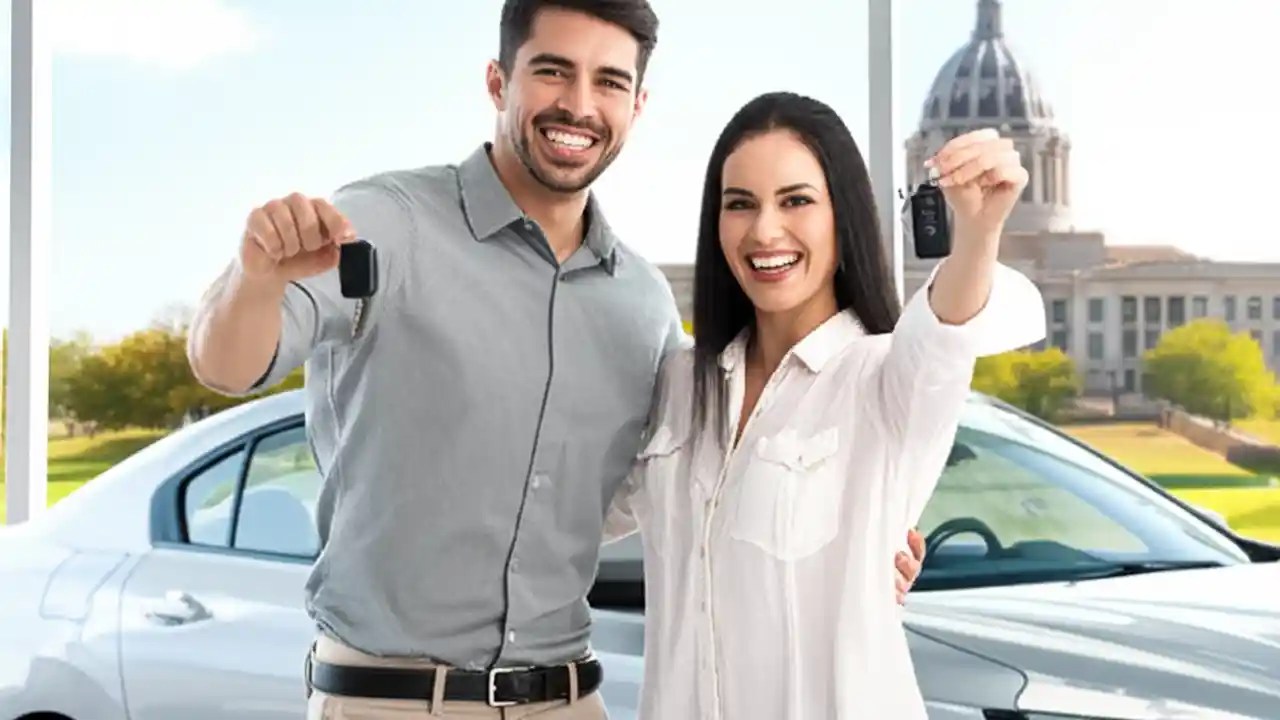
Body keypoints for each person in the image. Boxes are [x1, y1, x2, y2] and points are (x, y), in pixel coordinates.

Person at [187, 2, 924, 718]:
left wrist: (849, 543)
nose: (579, 105)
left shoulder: (642, 305)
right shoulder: (386, 222)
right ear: (497, 82)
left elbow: (681, 491)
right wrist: (255, 277)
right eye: (553, 71)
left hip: (569, 700)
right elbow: (227, 364)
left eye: (608, 82)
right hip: (393, 702)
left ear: (637, 106)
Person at [604, 92, 1046, 719]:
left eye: (796, 201)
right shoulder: (680, 381)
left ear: (845, 216)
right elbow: (576, 511)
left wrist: (978, 233)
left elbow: (945, 333)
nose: (764, 231)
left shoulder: (888, 381)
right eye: (740, 205)